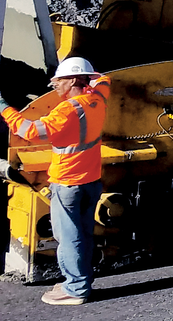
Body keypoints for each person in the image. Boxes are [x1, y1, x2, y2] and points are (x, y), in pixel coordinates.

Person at [3, 57, 112, 305]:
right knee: (83, 233)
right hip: (91, 181)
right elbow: (104, 78)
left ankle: (75, 289)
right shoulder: (98, 98)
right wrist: (89, 76)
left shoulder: (68, 110)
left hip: (68, 184)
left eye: (59, 80)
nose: (54, 85)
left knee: (69, 237)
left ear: (73, 80)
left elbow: (28, 131)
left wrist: (3, 107)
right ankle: (79, 280)